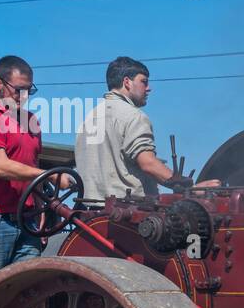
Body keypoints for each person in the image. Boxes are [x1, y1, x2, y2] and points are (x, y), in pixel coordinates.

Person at [0, 55, 72, 295]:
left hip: (27, 220)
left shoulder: (31, 121)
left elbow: (28, 166)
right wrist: (50, 176)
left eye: (29, 90)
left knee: (26, 294)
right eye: (18, 90)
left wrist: (43, 208)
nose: (23, 96)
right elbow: (0, 166)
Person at [75, 56, 219, 201]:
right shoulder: (134, 116)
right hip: (127, 214)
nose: (149, 88)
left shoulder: (88, 119)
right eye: (144, 82)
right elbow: (148, 163)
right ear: (127, 82)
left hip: (90, 216)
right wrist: (191, 189)